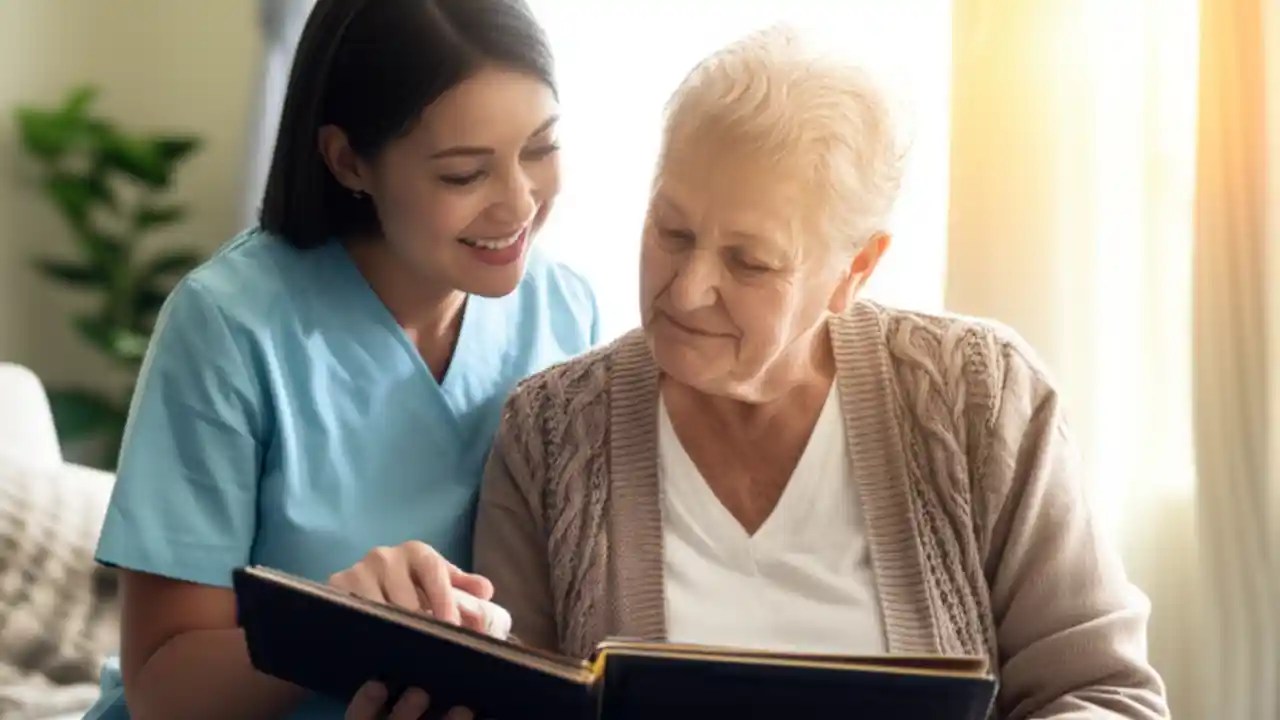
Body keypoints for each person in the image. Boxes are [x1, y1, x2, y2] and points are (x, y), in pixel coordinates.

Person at [344, 26, 1172, 719]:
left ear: (855, 270)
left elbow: (1103, 690)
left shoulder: (983, 398)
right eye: (672, 230)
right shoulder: (552, 432)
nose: (687, 287)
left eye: (750, 262)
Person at [82, 1, 598, 719]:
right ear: (348, 160)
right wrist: (337, 623)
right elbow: (163, 687)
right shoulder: (229, 326)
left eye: (540, 148)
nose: (518, 203)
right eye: (462, 175)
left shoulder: (568, 313)